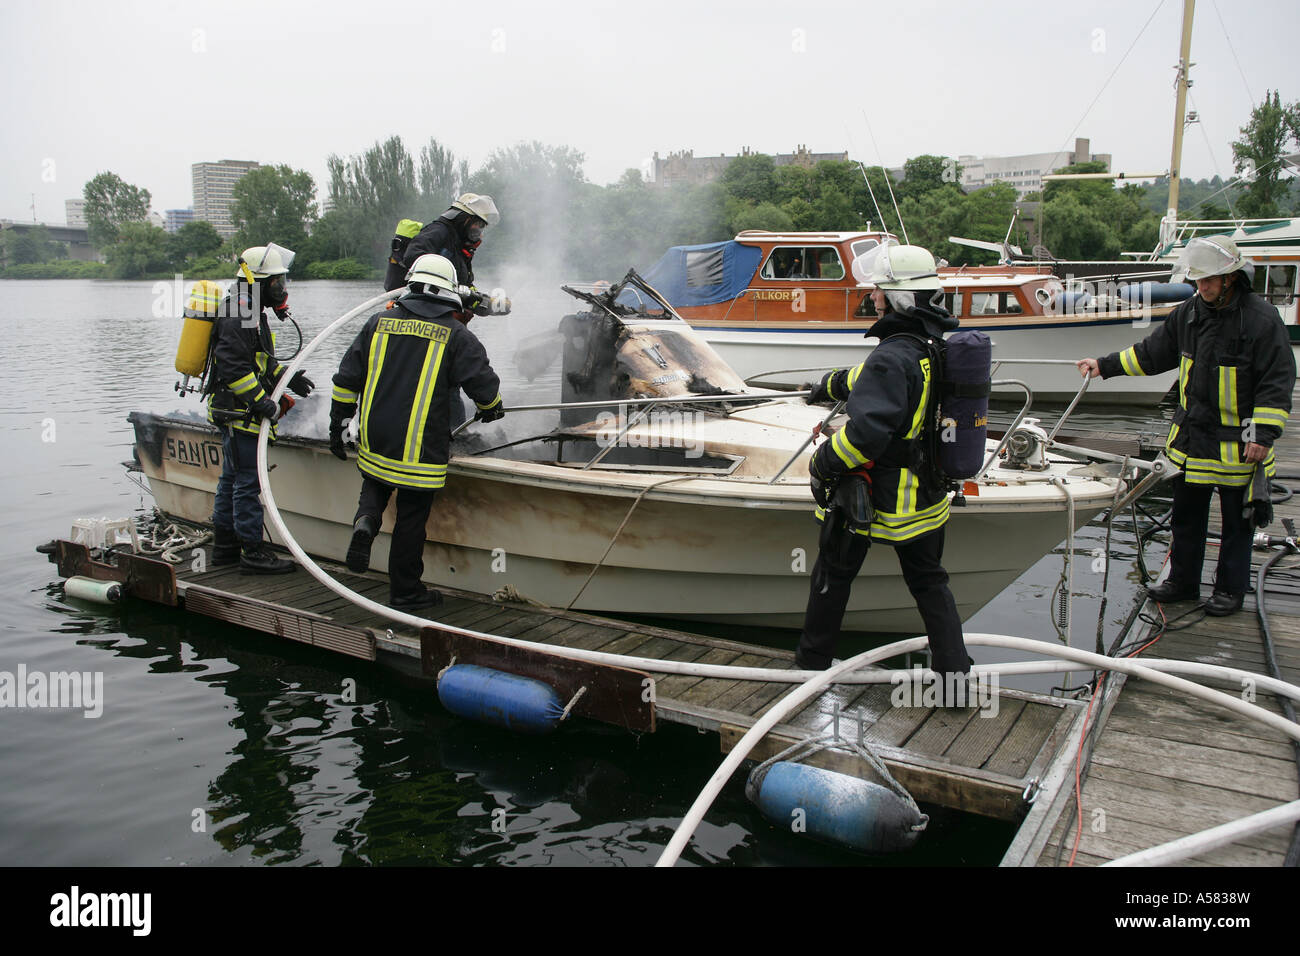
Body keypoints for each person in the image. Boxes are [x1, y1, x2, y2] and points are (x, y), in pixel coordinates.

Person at [1077, 235, 1294, 616]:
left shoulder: (1261, 320)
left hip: (1237, 445)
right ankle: (1182, 583)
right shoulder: (1190, 313)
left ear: (1229, 278)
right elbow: (1152, 353)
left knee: (1237, 524)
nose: (1201, 287)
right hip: (1190, 442)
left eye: (1208, 280)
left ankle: (1229, 589)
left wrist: (1262, 433)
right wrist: (1104, 365)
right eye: (1197, 281)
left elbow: (1276, 381)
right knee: (1185, 519)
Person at [797, 243, 971, 691]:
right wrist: (825, 387)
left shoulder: (892, 355)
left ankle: (810, 670)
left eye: (879, 290)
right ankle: (955, 679)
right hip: (928, 494)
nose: (873, 296)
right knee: (931, 584)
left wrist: (822, 463)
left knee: (832, 578)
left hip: (875, 497)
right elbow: (869, 379)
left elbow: (867, 435)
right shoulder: (931, 345)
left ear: (898, 297)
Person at [329, 254, 505, 609]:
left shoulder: (377, 322)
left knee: (375, 485)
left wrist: (338, 424)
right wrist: (491, 408)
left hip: (375, 436)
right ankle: (406, 592)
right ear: (447, 292)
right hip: (420, 447)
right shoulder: (456, 335)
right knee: (411, 517)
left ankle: (365, 522)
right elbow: (484, 387)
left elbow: (346, 379)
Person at [207, 243, 315, 574]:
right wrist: (263, 403)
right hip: (241, 415)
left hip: (238, 412)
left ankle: (224, 547)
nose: (281, 289)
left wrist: (288, 378)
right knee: (247, 483)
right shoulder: (240, 313)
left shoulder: (250, 310)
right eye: (276, 283)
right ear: (257, 282)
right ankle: (252, 553)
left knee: (231, 479)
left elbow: (260, 361)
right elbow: (234, 369)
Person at [385, 193, 505, 322]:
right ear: (465, 219)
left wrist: (491, 303)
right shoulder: (439, 231)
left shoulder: (458, 246)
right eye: (478, 224)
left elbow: (464, 285)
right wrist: (448, 285)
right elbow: (412, 255)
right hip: (422, 314)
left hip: (441, 316)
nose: (479, 231)